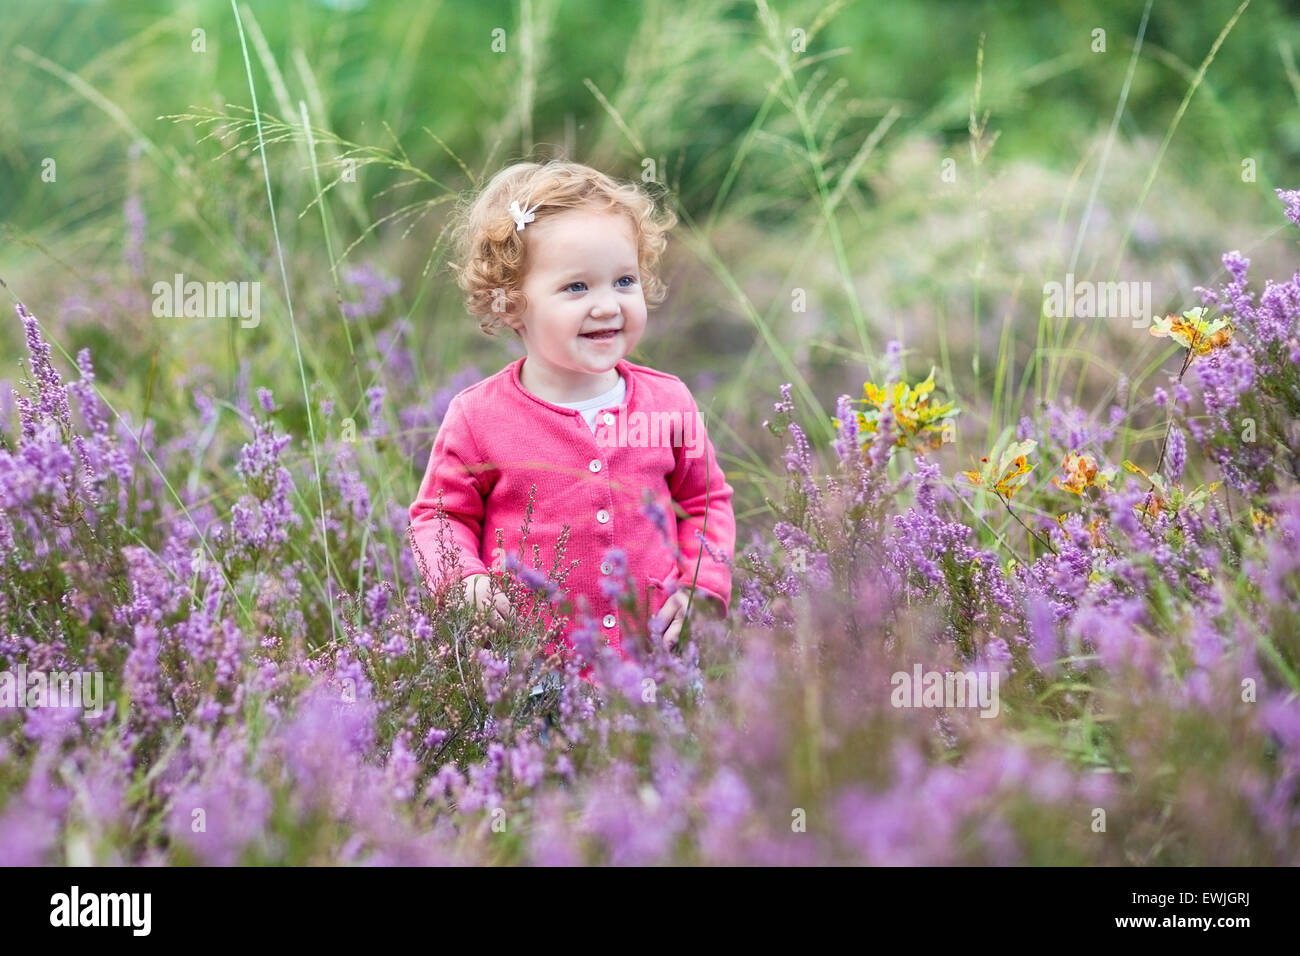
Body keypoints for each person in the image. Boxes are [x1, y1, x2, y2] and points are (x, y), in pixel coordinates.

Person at [407, 158, 735, 678]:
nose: (607, 306)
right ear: (513, 305)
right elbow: (441, 517)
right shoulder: (478, 416)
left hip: (655, 668)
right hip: (532, 674)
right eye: (577, 288)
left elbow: (704, 502)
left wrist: (701, 585)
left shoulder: (668, 403)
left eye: (624, 281)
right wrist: (465, 581)